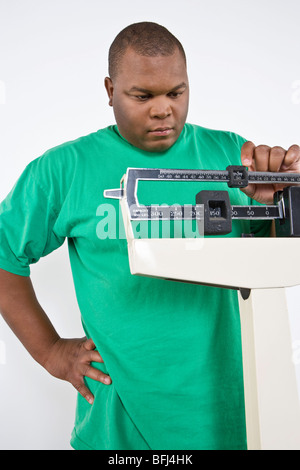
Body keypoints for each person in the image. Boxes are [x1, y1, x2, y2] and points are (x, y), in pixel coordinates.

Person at [0, 22, 299, 451]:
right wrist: (50, 351)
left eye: (176, 93)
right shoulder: (64, 169)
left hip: (229, 415)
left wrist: (285, 200)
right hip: (117, 424)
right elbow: (4, 254)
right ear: (109, 89)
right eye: (143, 96)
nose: (163, 110)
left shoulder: (235, 157)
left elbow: (277, 262)